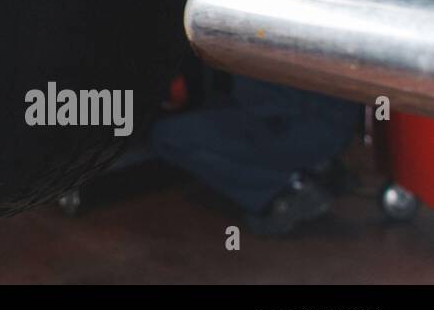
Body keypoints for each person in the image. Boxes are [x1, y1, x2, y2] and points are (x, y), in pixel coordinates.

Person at [150, 72, 359, 236]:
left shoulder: (246, 25)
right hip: (337, 120)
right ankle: (319, 166)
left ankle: (290, 187)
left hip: (297, 126)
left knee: (167, 137)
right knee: (219, 110)